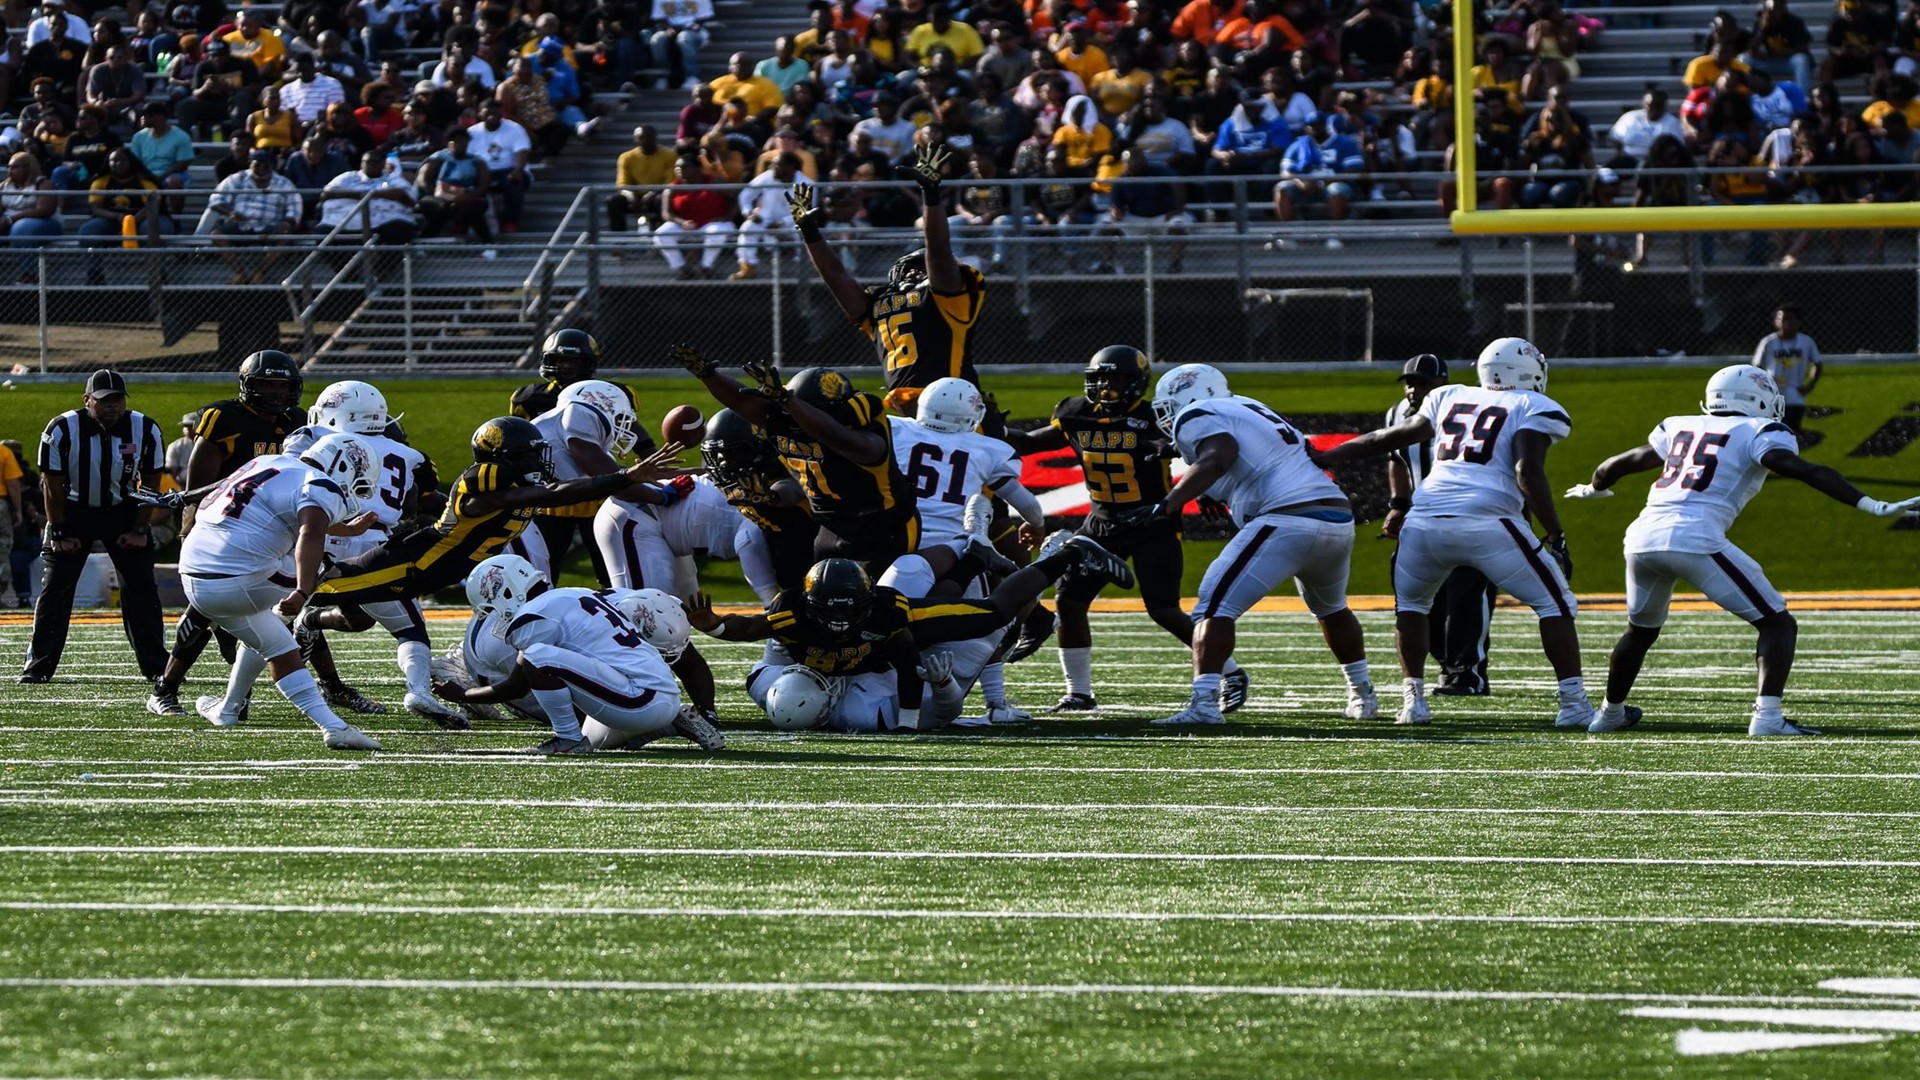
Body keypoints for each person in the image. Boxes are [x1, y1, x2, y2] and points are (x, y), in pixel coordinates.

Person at [1567, 365, 1920, 735]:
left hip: (1642, 537)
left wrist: (1594, 488)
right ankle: (1767, 718)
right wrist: (1870, 504)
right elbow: (1806, 471)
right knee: (1777, 622)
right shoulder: (1759, 430)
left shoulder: (1679, 426)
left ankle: (1609, 714)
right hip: (1696, 537)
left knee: (1639, 632)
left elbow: (1616, 465)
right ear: (1759, 400)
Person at [1310, 338, 1589, 730]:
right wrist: (1555, 532)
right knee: (1555, 605)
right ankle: (1574, 703)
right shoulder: (1536, 406)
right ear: (1529, 371)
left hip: (1425, 520)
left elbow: (1387, 438)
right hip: (1488, 519)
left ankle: (1413, 703)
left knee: (1411, 607)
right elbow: (1527, 471)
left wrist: (1325, 454)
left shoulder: (1448, 397)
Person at [1121, 364, 1374, 725]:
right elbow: (1249, 460)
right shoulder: (1249, 407)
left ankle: (1205, 703)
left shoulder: (1197, 412)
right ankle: (1363, 694)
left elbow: (1219, 455)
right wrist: (1205, 485)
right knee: (1332, 609)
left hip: (1288, 518)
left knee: (1212, 607)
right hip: (1335, 519)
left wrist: (1169, 503)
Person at [687, 539, 1134, 732]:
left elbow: (905, 658)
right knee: (988, 615)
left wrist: (715, 625)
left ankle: (1065, 555)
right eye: (830, 614)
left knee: (989, 614)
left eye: (849, 611)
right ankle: (973, 559)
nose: (840, 623)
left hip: (909, 627)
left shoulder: (883, 609)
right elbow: (753, 628)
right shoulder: (794, 619)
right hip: (883, 654)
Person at [172, 430, 383, 750]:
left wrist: (348, 529)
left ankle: (230, 710)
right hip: (238, 577)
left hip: (195, 575)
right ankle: (309, 620)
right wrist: (301, 589)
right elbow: (311, 531)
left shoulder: (269, 462)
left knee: (278, 645)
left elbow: (296, 512)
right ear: (342, 466)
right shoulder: (321, 483)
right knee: (319, 566)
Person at [147, 351, 313, 718]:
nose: (274, 392)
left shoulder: (298, 422)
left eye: (281, 385)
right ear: (248, 385)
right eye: (266, 384)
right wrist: (193, 521)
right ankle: (168, 688)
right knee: (211, 609)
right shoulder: (226, 417)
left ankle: (241, 695)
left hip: (274, 531)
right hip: (224, 527)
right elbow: (200, 481)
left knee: (269, 611)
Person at [678, 351, 922, 572]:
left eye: (802, 409)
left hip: (884, 527)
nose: (794, 418)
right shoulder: (791, 421)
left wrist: (790, 402)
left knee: (876, 602)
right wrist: (709, 375)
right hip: (831, 527)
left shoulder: (868, 440)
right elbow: (743, 403)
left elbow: (836, 438)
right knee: (821, 602)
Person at [789, 146, 987, 414]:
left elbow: (939, 253)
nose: (917, 272)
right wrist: (809, 232)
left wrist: (931, 194)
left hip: (954, 402)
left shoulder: (946, 299)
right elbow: (836, 275)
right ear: (896, 273)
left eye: (922, 268)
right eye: (911, 268)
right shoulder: (877, 305)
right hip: (906, 407)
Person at [433, 555, 688, 755]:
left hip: (638, 700)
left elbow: (516, 687)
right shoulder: (576, 593)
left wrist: (462, 695)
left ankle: (568, 738)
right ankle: (671, 724)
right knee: (596, 739)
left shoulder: (531, 616)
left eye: (491, 607)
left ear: (506, 591)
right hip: (661, 695)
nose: (495, 615)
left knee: (539, 657)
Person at [19, 370, 168, 685]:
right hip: (73, 509)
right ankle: (39, 666)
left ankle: (157, 666)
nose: (112, 406)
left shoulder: (145, 428)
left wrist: (140, 529)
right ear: (87, 401)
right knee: (56, 589)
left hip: (124, 509)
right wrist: (58, 530)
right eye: (103, 401)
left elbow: (151, 482)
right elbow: (52, 485)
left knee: (141, 589)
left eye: (117, 400)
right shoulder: (61, 429)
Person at [1381, 354, 1498, 696]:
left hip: (1470, 515)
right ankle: (1449, 661)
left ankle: (1467, 673)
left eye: (1422, 383)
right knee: (1414, 597)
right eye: (1409, 382)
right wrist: (1398, 504)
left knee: (1467, 593)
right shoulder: (1396, 414)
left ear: (1443, 384)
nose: (1413, 389)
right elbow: (1396, 461)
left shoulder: (1474, 410)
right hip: (1421, 520)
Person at [78, 146, 170, 287]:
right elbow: (96, 208)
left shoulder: (145, 181)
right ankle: (95, 274)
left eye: (123, 160)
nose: (118, 163)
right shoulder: (100, 181)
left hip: (144, 218)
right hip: (111, 219)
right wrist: (118, 217)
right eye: (114, 160)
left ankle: (158, 272)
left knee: (157, 230)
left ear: (131, 162)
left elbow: (152, 206)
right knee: (87, 232)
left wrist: (132, 222)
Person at [207, 147, 302, 283]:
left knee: (286, 234)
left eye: (266, 166)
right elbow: (216, 200)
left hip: (269, 226)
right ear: (250, 164)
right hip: (241, 224)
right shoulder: (236, 179)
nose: (261, 169)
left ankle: (260, 272)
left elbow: (295, 207)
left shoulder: (284, 183)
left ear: (272, 167)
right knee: (216, 234)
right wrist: (231, 213)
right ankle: (240, 273)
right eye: (257, 165)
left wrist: (287, 222)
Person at [1751, 304, 1823, 434]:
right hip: (1773, 396)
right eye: (1783, 320)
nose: (1788, 323)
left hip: (1796, 396)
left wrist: (1810, 385)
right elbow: (1757, 367)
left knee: (1793, 433)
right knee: (1772, 433)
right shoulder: (1768, 342)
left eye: (1792, 320)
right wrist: (1763, 388)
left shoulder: (1806, 342)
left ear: (1798, 322)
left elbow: (1817, 363)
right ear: (1776, 322)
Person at [415, 126, 493, 243]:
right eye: (455, 141)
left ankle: (488, 244)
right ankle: (423, 242)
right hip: (440, 195)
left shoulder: (478, 161)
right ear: (449, 143)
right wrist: (438, 194)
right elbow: (423, 180)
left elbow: (483, 185)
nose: (459, 144)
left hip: (468, 196)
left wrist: (465, 197)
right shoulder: (438, 158)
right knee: (437, 207)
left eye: (463, 140)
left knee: (472, 208)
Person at [733, 151, 802, 280]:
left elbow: (803, 213)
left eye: (776, 165)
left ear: (790, 167)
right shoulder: (767, 176)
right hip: (765, 220)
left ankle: (804, 269)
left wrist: (781, 223)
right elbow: (745, 195)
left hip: (792, 223)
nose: (772, 168)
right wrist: (749, 213)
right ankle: (749, 267)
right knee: (748, 228)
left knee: (806, 230)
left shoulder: (805, 183)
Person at [466, 98, 532, 232]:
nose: (492, 116)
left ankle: (510, 222)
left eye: (495, 113)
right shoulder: (471, 132)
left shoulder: (514, 128)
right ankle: (465, 223)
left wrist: (518, 170)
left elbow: (522, 151)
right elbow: (467, 157)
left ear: (501, 114)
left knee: (514, 183)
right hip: (483, 171)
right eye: (488, 113)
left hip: (509, 171)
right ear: (480, 114)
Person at [0, 152, 63, 285]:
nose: (10, 170)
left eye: (15, 167)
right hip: (10, 224)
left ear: (28, 167)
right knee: (18, 228)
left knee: (22, 228)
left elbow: (44, 210)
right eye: (9, 167)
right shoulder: (4, 186)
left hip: (46, 224)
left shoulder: (43, 183)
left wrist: (11, 219)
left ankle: (30, 274)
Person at [608, 125, 676, 233]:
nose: (645, 141)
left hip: (657, 194)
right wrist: (631, 196)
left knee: (661, 199)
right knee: (614, 201)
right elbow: (622, 183)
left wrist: (651, 194)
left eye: (648, 137)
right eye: (640, 137)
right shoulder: (626, 157)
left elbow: (670, 181)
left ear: (655, 138)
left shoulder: (669, 155)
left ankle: (662, 234)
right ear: (635, 139)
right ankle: (619, 240)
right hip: (635, 196)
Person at [649, 0, 715, 91]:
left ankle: (692, 76)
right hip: (668, 29)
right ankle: (662, 77)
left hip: (694, 31)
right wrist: (669, 29)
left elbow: (704, 17)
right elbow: (658, 18)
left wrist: (689, 27)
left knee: (685, 37)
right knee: (657, 39)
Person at [281, 52, 346, 126]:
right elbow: (282, 115)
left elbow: (338, 112)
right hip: (294, 128)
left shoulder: (332, 84)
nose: (302, 74)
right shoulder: (286, 90)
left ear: (314, 68)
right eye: (299, 71)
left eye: (305, 70)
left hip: (321, 126)